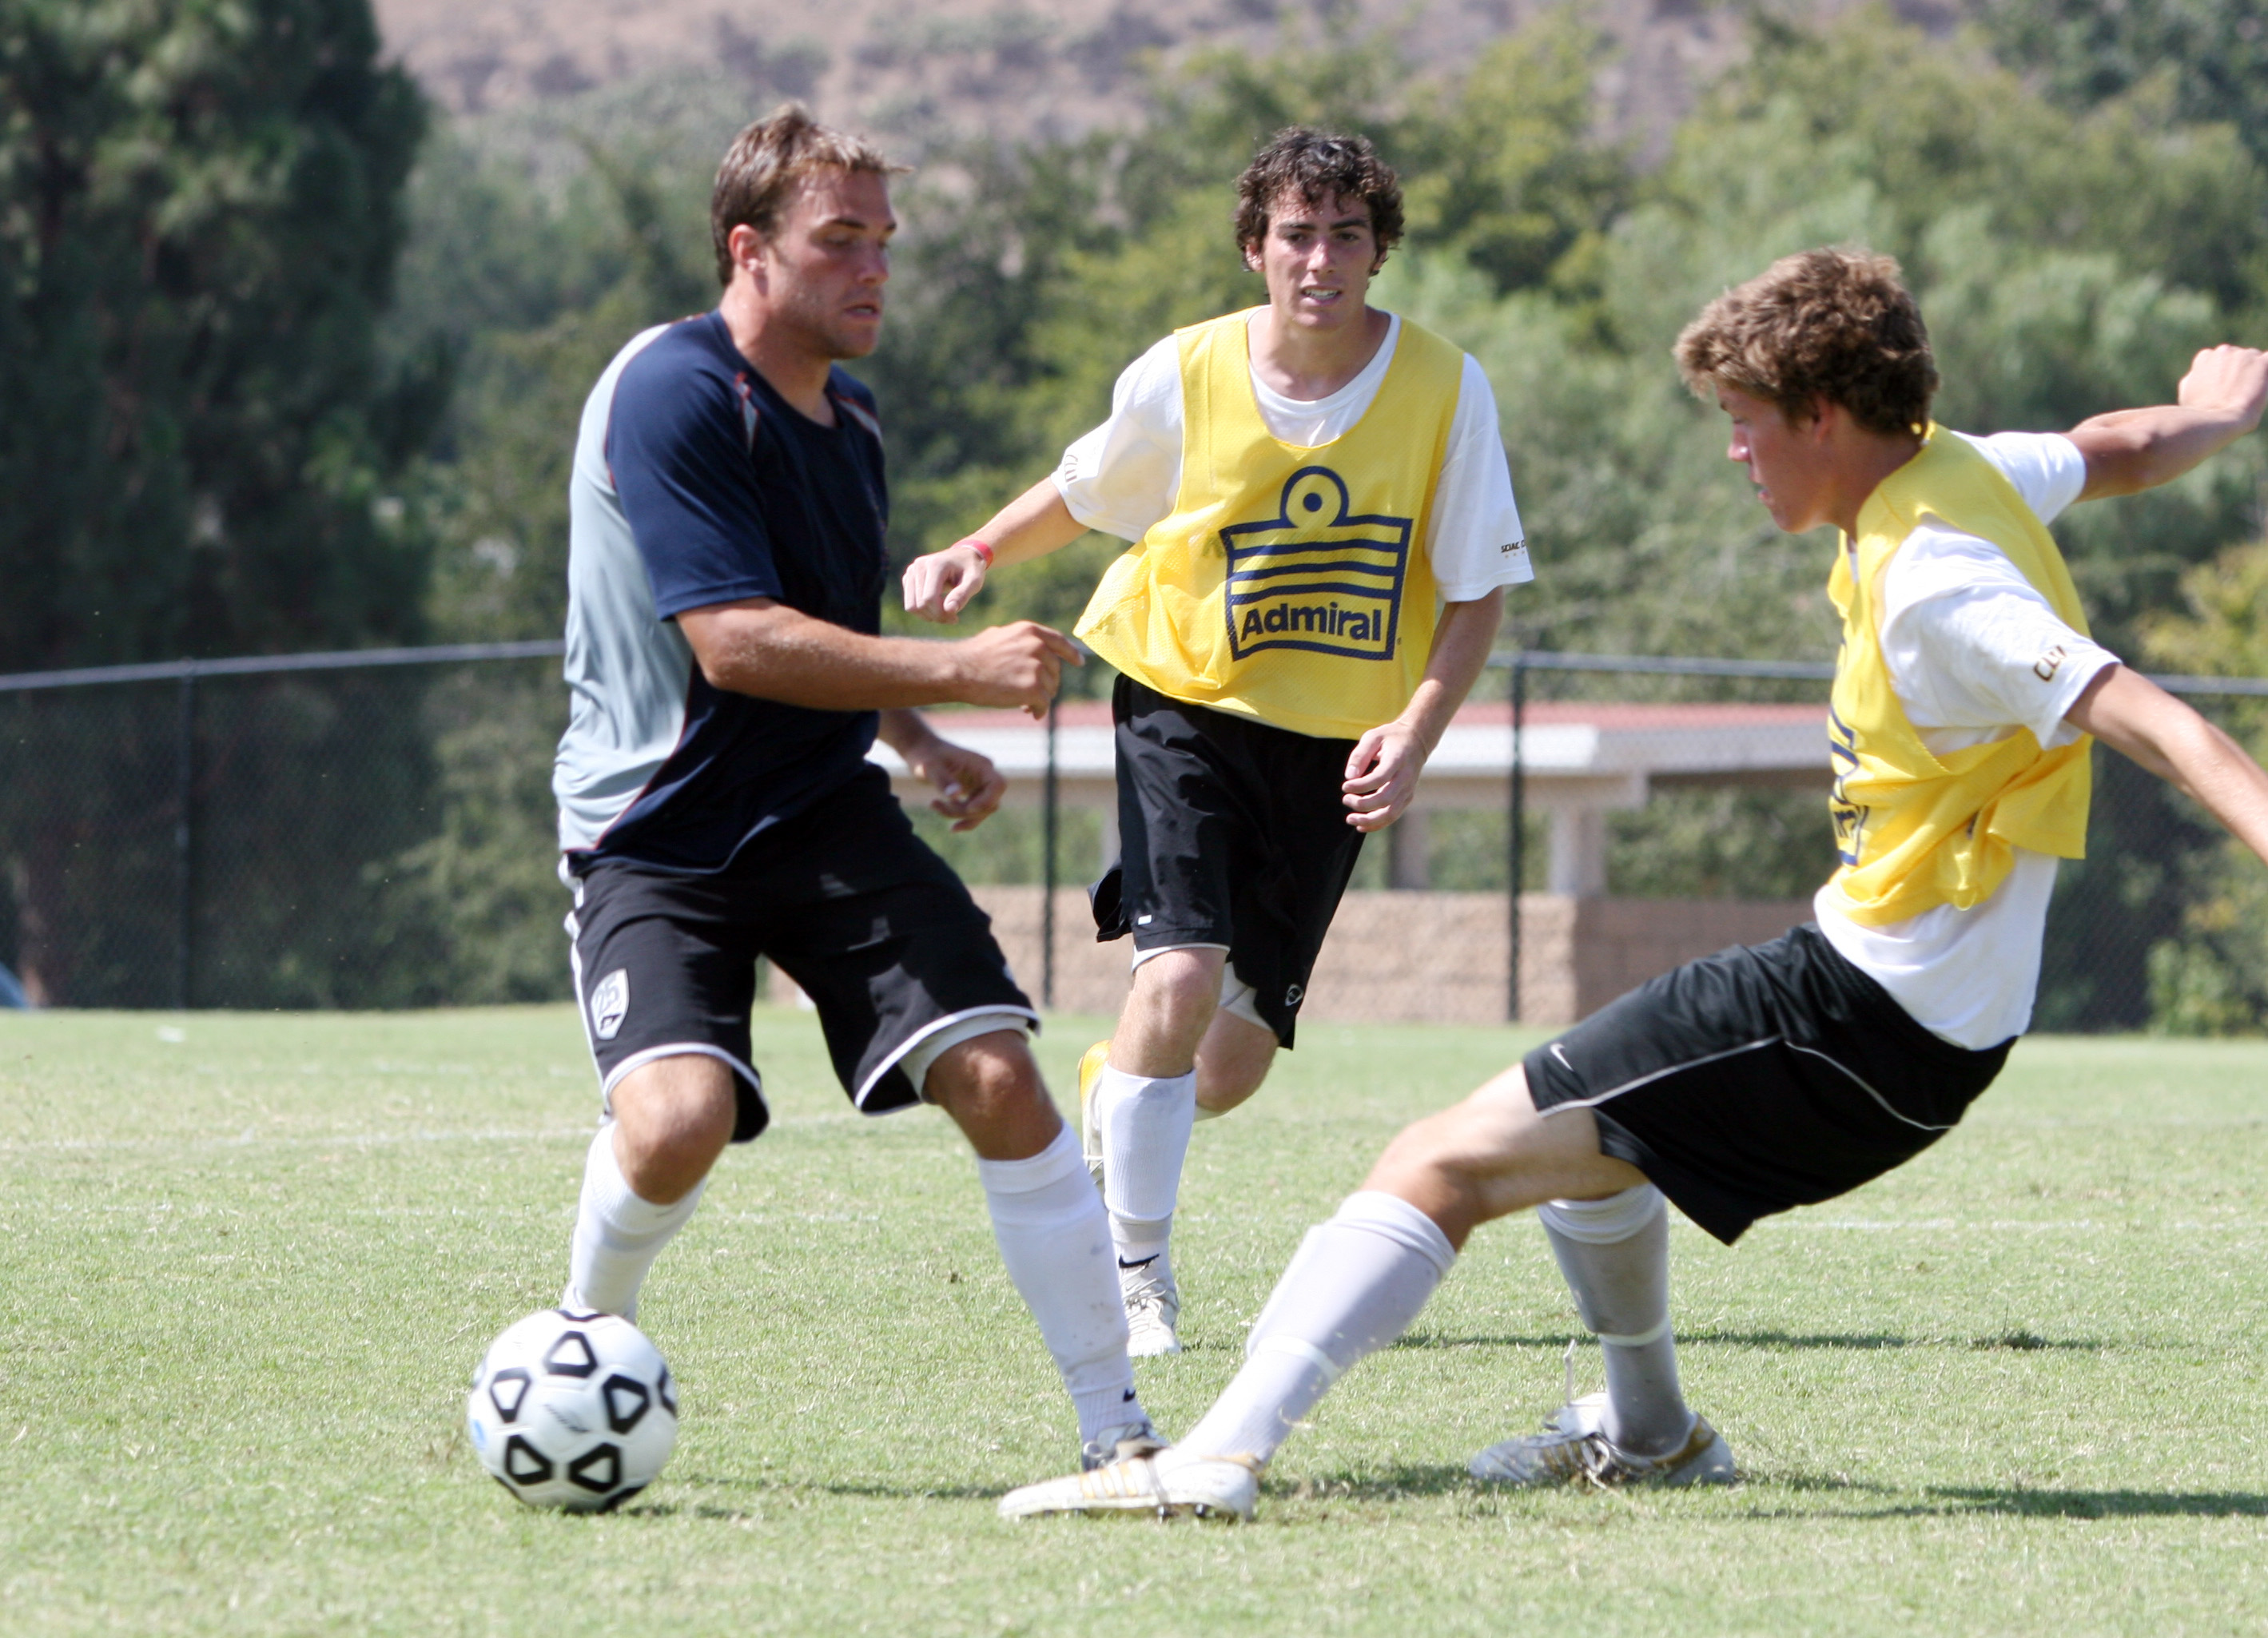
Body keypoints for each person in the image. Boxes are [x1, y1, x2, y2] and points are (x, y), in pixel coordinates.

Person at [996, 246, 2268, 1520]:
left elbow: (2154, 720)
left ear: (1822, 415)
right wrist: (2211, 417)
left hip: (1861, 1015)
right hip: (1914, 1015)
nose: (1734, 453)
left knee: (1435, 1162)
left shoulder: (1940, 578)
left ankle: (1211, 1459)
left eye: (1744, 423)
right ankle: (1651, 1430)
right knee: (1595, 1138)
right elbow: (2111, 449)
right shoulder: (1963, 466)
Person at [547, 106, 1158, 1473]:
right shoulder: (675, 390)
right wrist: (955, 673)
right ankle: (582, 1330)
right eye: (840, 240)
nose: (872, 266)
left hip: (822, 808)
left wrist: (912, 738)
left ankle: (1119, 1436)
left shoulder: (852, 419)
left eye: (883, 240)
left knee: (1001, 1076)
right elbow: (732, 638)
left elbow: (814, 617)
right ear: (748, 248)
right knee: (676, 1121)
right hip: (655, 831)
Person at [901, 129, 1531, 1356]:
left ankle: (1111, 1093)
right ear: (1255, 249)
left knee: (1228, 1065)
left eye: (1348, 234)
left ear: (1377, 253)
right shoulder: (1185, 371)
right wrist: (978, 547)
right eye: (1296, 233)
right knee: (1177, 976)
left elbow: (1475, 589)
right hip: (1180, 696)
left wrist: (1415, 725)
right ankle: (1134, 1275)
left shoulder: (1447, 387)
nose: (1321, 259)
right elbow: (1086, 490)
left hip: (1332, 739)